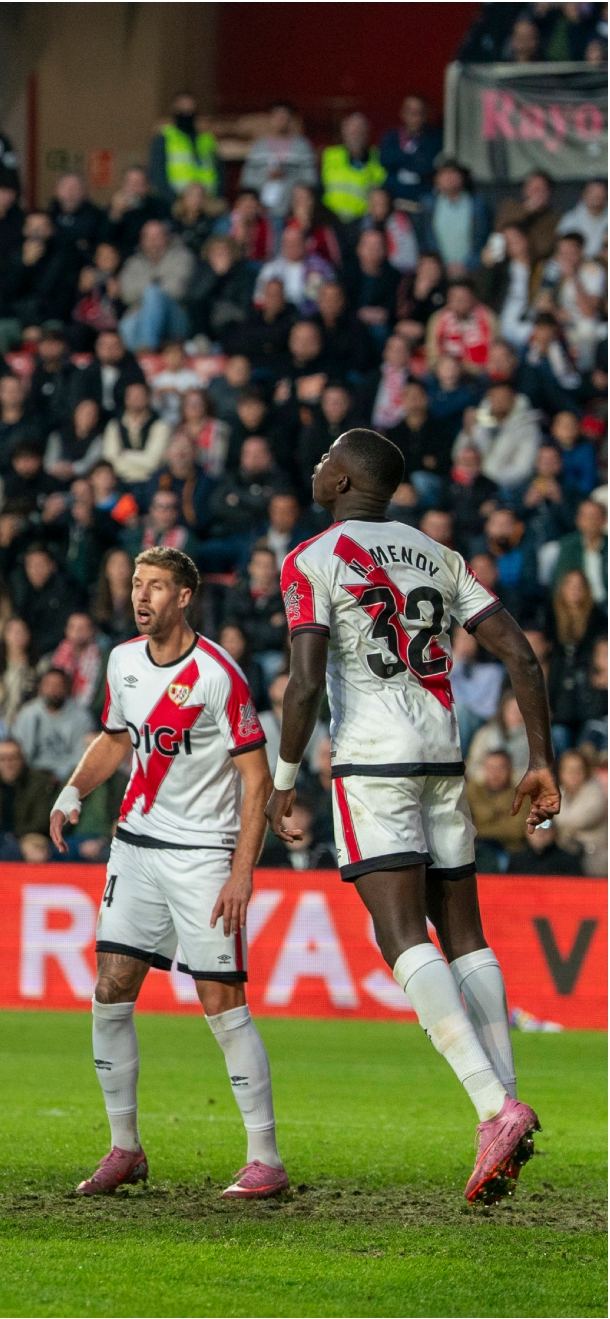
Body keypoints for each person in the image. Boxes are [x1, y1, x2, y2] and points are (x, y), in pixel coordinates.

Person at [268, 427, 557, 1204]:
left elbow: (302, 685)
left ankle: (496, 1107)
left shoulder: (311, 558)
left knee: (400, 936)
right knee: (466, 933)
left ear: (342, 483)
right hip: (442, 753)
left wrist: (283, 779)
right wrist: (543, 761)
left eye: (327, 455)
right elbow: (522, 656)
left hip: (374, 761)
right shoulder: (437, 554)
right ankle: (502, 1101)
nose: (319, 462)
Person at [48, 545, 284, 1199]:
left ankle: (265, 1157)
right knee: (110, 987)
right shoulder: (123, 661)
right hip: (135, 847)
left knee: (221, 1003)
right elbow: (118, 737)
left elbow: (255, 777)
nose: (140, 596)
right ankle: (125, 1147)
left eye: (154, 586)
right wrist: (72, 791)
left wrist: (242, 872)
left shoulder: (218, 674)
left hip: (204, 855)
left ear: (184, 596)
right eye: (135, 585)